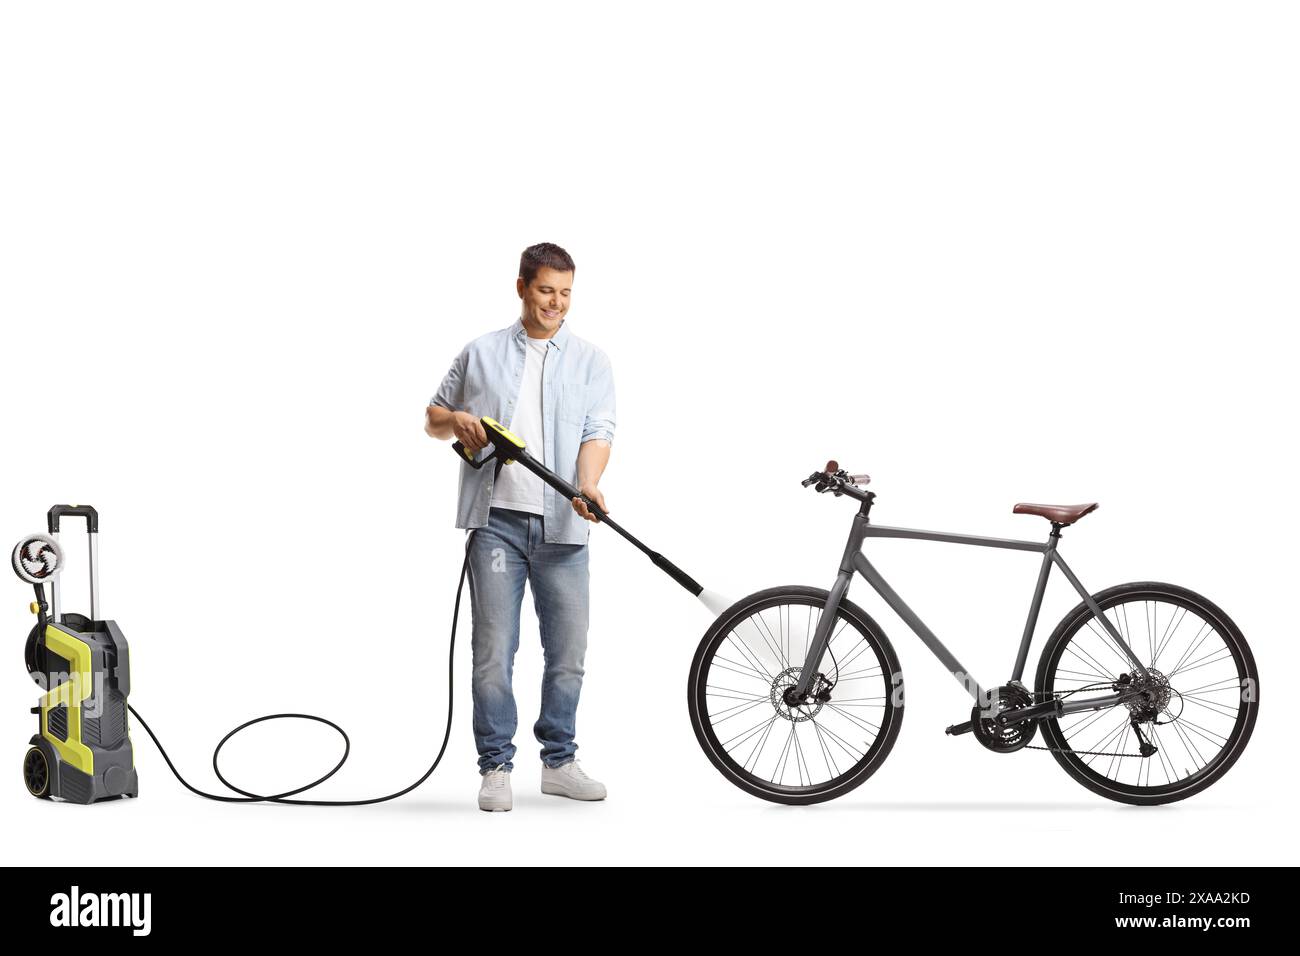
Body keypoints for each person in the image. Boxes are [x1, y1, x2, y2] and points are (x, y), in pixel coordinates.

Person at [425, 242, 615, 812]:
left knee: (567, 654)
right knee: (493, 651)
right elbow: (433, 417)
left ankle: (558, 762)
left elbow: (597, 432)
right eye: (545, 290)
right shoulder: (479, 353)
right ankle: (496, 767)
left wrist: (588, 484)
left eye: (565, 293)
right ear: (521, 287)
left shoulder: (592, 361)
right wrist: (457, 419)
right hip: (497, 526)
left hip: (564, 527)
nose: (555, 303)